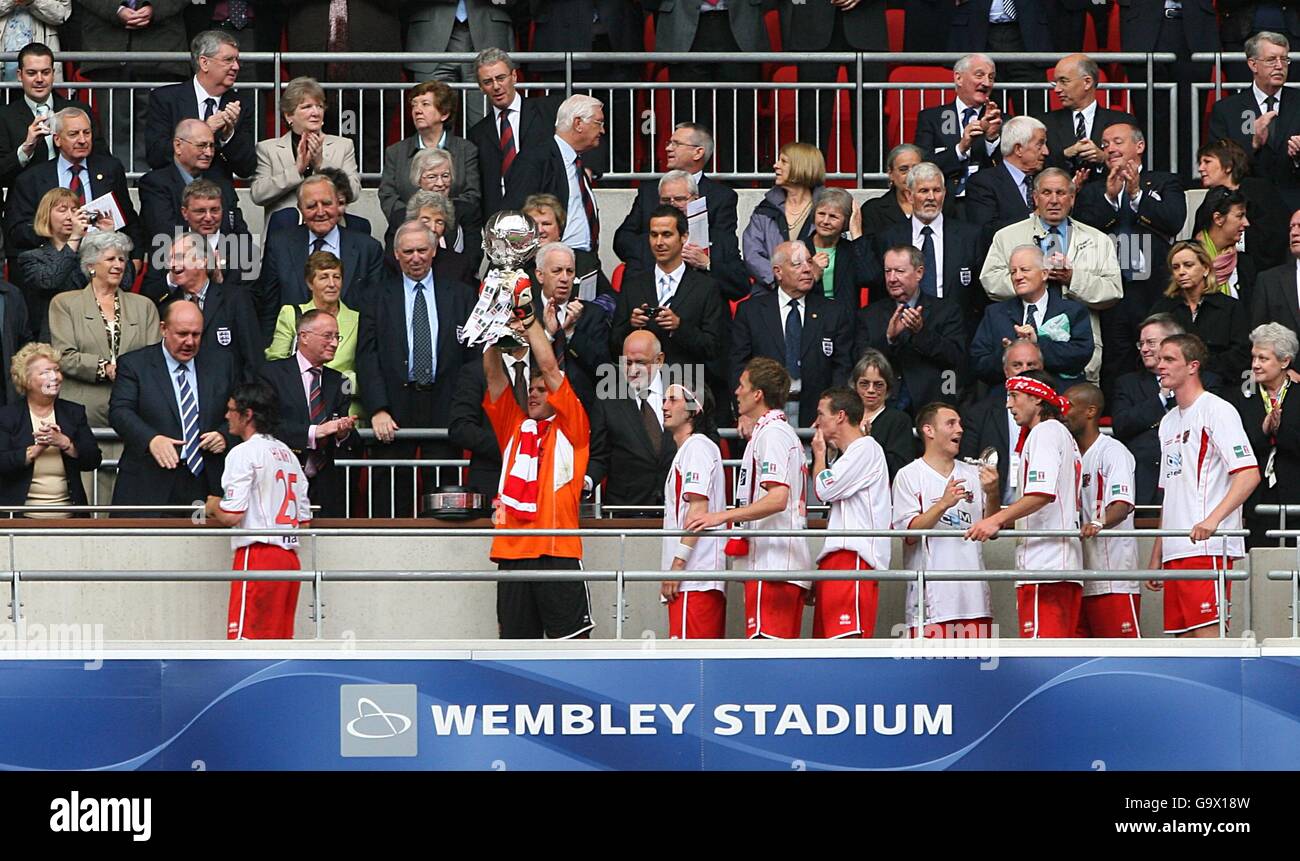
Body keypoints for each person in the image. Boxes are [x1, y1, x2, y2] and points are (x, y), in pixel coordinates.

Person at [483, 296, 593, 640]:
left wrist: (530, 322)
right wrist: (490, 328)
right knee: (516, 651)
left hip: (556, 550)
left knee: (572, 649)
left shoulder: (572, 426)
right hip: (511, 552)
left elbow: (549, 367)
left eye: (542, 391)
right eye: (530, 390)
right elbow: (494, 376)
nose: (533, 394)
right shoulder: (515, 428)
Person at [356, 221, 477, 518]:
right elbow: (367, 356)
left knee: (444, 494)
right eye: (408, 251)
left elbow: (472, 356)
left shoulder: (461, 295)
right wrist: (378, 409)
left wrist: (464, 406)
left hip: (446, 403)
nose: (415, 258)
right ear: (396, 254)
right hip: (394, 407)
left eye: (422, 250)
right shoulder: (375, 296)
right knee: (390, 494)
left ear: (434, 250)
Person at [686, 358, 810, 640]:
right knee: (767, 656)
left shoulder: (774, 434)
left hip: (774, 566)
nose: (736, 392)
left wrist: (720, 516)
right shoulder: (769, 432)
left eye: (742, 386)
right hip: (770, 563)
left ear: (758, 394)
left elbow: (778, 498)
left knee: (769, 659)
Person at [1150, 333, 1261, 637]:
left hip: (1206, 546)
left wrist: (1212, 520)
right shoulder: (1169, 421)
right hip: (1175, 547)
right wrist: (1157, 551)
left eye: (1169, 359)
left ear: (1192, 366)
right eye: (1159, 359)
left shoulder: (1217, 409)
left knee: (1209, 638)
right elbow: (1169, 491)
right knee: (1182, 645)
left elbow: (1249, 473)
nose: (1160, 365)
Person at [966, 371, 1084, 639]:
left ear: (1037, 399)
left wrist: (995, 519)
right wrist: (995, 498)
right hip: (1059, 565)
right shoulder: (1059, 434)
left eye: (1014, 396)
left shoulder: (1045, 432)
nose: (1008, 404)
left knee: (1043, 658)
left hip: (1046, 566)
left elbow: (1042, 493)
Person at [981, 168, 1123, 383]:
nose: (1054, 200)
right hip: (1019, 347)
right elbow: (990, 281)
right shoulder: (1007, 236)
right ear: (1035, 197)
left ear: (1073, 198)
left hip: (1078, 350)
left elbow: (1113, 290)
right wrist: (1034, 280)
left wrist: (1072, 279)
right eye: (1047, 193)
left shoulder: (1098, 240)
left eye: (1061, 193)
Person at [109, 300, 237, 517]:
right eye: (182, 334)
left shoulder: (221, 363)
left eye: (196, 335)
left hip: (206, 481)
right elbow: (119, 412)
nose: (190, 342)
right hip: (150, 482)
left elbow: (241, 410)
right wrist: (151, 440)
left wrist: (225, 435)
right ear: (163, 329)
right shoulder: (135, 364)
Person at [204, 381, 311, 640]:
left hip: (258, 553)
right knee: (279, 644)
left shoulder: (243, 452)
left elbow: (232, 515)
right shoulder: (288, 454)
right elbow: (305, 522)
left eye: (231, 409)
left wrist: (211, 505)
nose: (227, 416)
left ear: (248, 414)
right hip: (290, 560)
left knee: (246, 641)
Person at [892, 402, 998, 638]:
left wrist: (992, 492)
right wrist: (942, 504)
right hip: (931, 604)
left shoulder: (973, 473)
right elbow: (907, 533)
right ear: (928, 430)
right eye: (951, 423)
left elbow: (991, 528)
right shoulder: (909, 475)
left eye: (960, 423)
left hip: (975, 599)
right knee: (930, 674)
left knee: (976, 673)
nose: (960, 429)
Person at [610, 205, 726, 416]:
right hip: (639, 392)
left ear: (684, 237)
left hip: (688, 388)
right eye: (654, 235)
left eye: (667, 235)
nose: (659, 242)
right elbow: (614, 344)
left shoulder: (706, 287)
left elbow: (714, 348)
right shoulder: (633, 285)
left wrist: (679, 327)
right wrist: (632, 326)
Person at [3, 106, 142, 277]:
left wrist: (136, 260)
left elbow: (128, 217)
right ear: (57, 139)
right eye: (73, 134)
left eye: (87, 133)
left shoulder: (110, 169)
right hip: (53, 267)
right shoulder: (32, 178)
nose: (82, 140)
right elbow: (17, 230)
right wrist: (54, 228)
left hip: (100, 266)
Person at [730, 241, 853, 427]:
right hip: (763, 413)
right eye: (797, 264)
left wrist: (831, 413)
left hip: (816, 416)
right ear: (778, 271)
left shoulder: (833, 312)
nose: (807, 269)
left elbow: (842, 367)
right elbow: (738, 365)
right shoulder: (751, 311)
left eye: (810, 262)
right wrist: (745, 411)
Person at [47, 231, 160, 426]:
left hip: (136, 411)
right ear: (91, 266)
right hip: (82, 410)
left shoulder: (145, 306)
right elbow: (63, 355)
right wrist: (104, 368)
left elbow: (155, 359)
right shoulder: (65, 304)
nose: (118, 265)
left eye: (122, 259)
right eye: (110, 259)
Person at [254, 174, 384, 338]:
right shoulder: (280, 245)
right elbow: (268, 308)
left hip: (351, 352)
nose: (320, 212)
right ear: (300, 209)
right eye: (311, 206)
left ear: (338, 205)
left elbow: (375, 312)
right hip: (293, 352)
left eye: (327, 204)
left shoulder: (368, 249)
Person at [810, 386, 891, 639]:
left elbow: (825, 489)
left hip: (853, 558)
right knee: (826, 651)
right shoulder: (852, 454)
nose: (816, 422)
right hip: (838, 558)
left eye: (821, 414)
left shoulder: (866, 448)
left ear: (840, 416)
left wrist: (820, 455)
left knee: (847, 645)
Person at [612, 122, 740, 283]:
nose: (668, 148)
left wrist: (695, 257)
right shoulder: (649, 191)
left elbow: (724, 248)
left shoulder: (721, 197)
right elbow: (623, 239)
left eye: (676, 144)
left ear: (698, 152)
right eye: (669, 143)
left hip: (699, 285)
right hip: (650, 281)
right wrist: (662, 249)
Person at [259, 309, 356, 519]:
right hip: (280, 482)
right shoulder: (271, 375)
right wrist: (315, 432)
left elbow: (350, 440)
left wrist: (342, 434)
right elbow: (266, 426)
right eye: (327, 336)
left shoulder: (340, 382)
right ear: (304, 337)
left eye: (336, 337)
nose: (334, 343)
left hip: (325, 488)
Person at [651, 0, 767, 175]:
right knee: (690, 119)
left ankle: (737, 183)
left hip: (740, 23)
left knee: (738, 116)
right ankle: (688, 182)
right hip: (682, 26)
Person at [1065, 383, 1142, 638]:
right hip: (1079, 577)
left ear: (1090, 411)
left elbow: (1122, 505)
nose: (1063, 412)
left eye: (1069, 406)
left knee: (1121, 657)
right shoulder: (1069, 455)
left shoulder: (1113, 451)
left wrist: (1098, 523)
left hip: (1113, 577)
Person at [779, 0, 887, 174]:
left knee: (871, 113)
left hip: (866, 22)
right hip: (812, 23)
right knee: (811, 114)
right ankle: (809, 184)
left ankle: (875, 185)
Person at [855, 245, 966, 414]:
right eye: (887, 271)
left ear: (919, 273)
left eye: (899, 271)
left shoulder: (946, 310)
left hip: (929, 409)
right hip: (883, 408)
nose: (891, 278)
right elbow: (860, 360)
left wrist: (920, 332)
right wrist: (889, 338)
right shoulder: (869, 314)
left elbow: (955, 357)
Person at [614, 167, 749, 302]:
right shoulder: (647, 243)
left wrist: (707, 264)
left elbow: (741, 287)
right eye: (666, 200)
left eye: (680, 199)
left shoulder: (720, 240)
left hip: (705, 319)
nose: (673, 205)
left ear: (695, 199)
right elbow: (629, 292)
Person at [872, 161, 987, 318]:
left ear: (945, 193)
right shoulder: (889, 238)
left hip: (956, 331)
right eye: (924, 191)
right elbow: (881, 292)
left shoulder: (970, 236)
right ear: (909, 196)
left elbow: (979, 294)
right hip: (903, 328)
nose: (931, 197)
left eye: (937, 190)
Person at [0, 342, 101, 517]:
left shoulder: (74, 413)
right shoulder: (8, 416)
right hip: (19, 520)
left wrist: (66, 443)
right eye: (45, 373)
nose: (54, 377)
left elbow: (93, 460)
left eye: (56, 370)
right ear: (26, 380)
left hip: (70, 519)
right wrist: (35, 450)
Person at [970, 244, 1094, 386]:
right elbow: (979, 363)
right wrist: (1010, 353)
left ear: (1044, 274)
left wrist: (1037, 345)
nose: (1018, 277)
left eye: (1024, 270)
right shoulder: (995, 313)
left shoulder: (1073, 311)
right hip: (1009, 399)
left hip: (1059, 397)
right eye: (1013, 272)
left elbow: (1081, 355)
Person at [144, 30, 256, 184]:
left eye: (237, 60)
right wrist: (205, 129)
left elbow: (246, 169)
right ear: (204, 63)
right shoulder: (166, 98)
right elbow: (155, 155)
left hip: (218, 196)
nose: (236, 67)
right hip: (174, 191)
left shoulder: (241, 104)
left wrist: (228, 136)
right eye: (228, 60)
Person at [660, 383, 727, 639]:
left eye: (673, 400)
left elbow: (698, 512)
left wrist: (676, 566)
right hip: (693, 577)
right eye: (665, 400)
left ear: (693, 411)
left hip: (694, 578)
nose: (665, 406)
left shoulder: (697, 446)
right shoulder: (693, 448)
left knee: (690, 666)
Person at [502, 94, 605, 254]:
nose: (602, 130)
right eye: (598, 123)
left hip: (584, 261)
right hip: (550, 263)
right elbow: (514, 216)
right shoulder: (535, 159)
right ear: (578, 123)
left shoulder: (576, 163)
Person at [137, 119, 248, 266]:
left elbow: (241, 236)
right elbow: (165, 237)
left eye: (212, 146)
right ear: (178, 146)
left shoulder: (221, 183)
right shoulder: (155, 184)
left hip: (225, 273)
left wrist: (222, 264)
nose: (208, 153)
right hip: (172, 274)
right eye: (201, 146)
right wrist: (209, 261)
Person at [250, 77, 362, 220]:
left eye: (320, 106)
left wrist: (322, 165)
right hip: (284, 234)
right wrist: (296, 170)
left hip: (329, 229)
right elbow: (258, 195)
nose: (316, 112)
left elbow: (353, 193)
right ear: (289, 115)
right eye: (307, 107)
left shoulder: (343, 145)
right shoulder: (267, 149)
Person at [466, 48, 561, 216]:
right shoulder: (477, 134)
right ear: (481, 88)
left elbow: (587, 124)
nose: (496, 86)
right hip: (501, 221)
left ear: (514, 77)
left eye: (501, 78)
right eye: (488, 82)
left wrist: (588, 169)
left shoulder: (548, 110)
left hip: (545, 216)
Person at [0, 42, 109, 189]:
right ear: (20, 75)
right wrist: (25, 149)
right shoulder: (5, 116)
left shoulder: (79, 111)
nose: (39, 79)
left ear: (53, 73)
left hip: (76, 195)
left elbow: (102, 159)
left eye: (45, 72)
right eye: (32, 73)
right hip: (30, 203)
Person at [264, 251, 360, 417]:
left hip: (344, 410)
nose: (332, 284)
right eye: (323, 277)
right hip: (299, 407)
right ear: (310, 283)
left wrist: (333, 382)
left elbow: (367, 377)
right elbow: (276, 364)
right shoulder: (292, 314)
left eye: (336, 277)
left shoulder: (358, 319)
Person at [378, 81, 481, 232]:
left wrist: (440, 218)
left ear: (444, 113)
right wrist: (418, 220)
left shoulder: (466, 150)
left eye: (425, 104)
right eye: (414, 105)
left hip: (455, 232)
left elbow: (472, 195)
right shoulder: (396, 152)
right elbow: (388, 196)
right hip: (408, 232)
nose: (417, 110)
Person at [160, 232, 263, 382]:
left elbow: (253, 356)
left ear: (202, 261)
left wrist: (243, 400)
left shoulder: (235, 299)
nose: (172, 265)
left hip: (230, 398)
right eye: (170, 259)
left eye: (181, 257)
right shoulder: (169, 305)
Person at [1111, 313, 1189, 506]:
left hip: (1187, 483)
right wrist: (1161, 397)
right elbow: (1121, 425)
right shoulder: (1127, 384)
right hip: (1144, 485)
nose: (1144, 349)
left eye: (1151, 343)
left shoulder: (1202, 382)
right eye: (1141, 344)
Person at [1149, 241, 1251, 385]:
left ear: (1205, 269)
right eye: (1176, 267)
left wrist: (1200, 367)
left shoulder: (1230, 307)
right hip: (1173, 387)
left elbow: (1241, 354)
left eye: (1188, 265)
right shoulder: (1163, 308)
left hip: (1221, 385)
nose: (1181, 272)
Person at [403, 1, 514, 132]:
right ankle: (434, 154)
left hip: (489, 29)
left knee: (483, 122)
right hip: (430, 32)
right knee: (431, 119)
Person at [1236, 323, 1300, 548]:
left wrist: (1280, 431)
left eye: (1263, 359)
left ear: (1285, 361)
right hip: (1256, 502)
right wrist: (1263, 431)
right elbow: (1236, 447)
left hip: (1296, 498)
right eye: (1254, 357)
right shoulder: (1242, 397)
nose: (1255, 365)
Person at [600, 330, 677, 514]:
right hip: (627, 511)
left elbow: (705, 439)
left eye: (641, 362)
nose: (633, 370)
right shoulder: (607, 401)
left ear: (659, 360)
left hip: (678, 509)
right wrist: (585, 481)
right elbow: (599, 454)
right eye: (627, 362)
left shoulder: (684, 389)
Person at [959, 340, 1045, 504]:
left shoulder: (1058, 413)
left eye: (1031, 365)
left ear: (1041, 369)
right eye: (1017, 365)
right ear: (1006, 371)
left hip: (1044, 517)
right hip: (993, 514)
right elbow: (967, 466)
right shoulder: (979, 413)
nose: (1024, 371)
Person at [1207, 32, 1298, 185]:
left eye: (1284, 59)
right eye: (1271, 60)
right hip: (1246, 200)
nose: (1279, 66)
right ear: (1253, 64)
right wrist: (1253, 143)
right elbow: (1218, 164)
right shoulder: (1227, 110)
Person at [141, 178, 253, 302]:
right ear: (184, 213)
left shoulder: (242, 249)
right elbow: (147, 296)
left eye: (215, 210)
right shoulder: (167, 244)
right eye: (200, 211)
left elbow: (252, 301)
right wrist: (172, 279)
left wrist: (218, 283)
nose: (209, 218)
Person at [913, 53, 1004, 201]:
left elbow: (1009, 170)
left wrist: (991, 139)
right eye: (979, 75)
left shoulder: (1000, 121)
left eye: (991, 77)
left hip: (985, 200)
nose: (987, 83)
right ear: (958, 78)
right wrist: (960, 149)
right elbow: (922, 168)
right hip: (943, 200)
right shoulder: (932, 118)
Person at [1196, 139, 1289, 274]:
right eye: (1200, 162)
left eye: (1207, 162)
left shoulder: (1260, 191)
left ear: (1228, 166)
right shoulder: (1210, 201)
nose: (1200, 168)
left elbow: (1276, 237)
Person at [1043, 53, 1140, 181]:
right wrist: (1065, 154)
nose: (1057, 89)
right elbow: (1038, 168)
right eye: (1055, 83)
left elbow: (1133, 165)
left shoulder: (1122, 122)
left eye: (1063, 81)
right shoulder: (1046, 123)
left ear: (1087, 82)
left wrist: (1103, 158)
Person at [17, 187, 97, 341]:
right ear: (46, 216)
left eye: (75, 210)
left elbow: (124, 282)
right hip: (53, 336)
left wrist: (108, 236)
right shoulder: (31, 257)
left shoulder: (90, 253)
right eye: (62, 210)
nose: (70, 217)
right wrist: (74, 239)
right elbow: (50, 281)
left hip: (91, 334)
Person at [743, 142, 826, 290]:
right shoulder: (765, 209)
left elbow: (832, 251)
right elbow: (752, 254)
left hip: (816, 296)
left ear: (801, 166)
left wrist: (807, 277)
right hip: (770, 296)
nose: (775, 165)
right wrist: (780, 281)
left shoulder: (826, 208)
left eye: (784, 161)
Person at [382, 147, 481, 262]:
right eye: (432, 177)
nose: (440, 183)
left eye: (445, 176)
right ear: (418, 179)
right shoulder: (400, 217)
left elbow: (474, 256)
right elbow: (391, 260)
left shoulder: (467, 212)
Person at [964, 115, 1048, 240]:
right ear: (1018, 149)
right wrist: (1035, 217)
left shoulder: (1044, 180)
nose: (1046, 152)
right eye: (1039, 145)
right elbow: (986, 231)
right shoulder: (983, 183)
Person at [522, 194, 612, 304]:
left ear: (560, 229)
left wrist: (589, 310)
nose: (540, 230)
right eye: (534, 224)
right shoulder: (518, 267)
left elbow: (609, 298)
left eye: (546, 224)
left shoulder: (585, 261)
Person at [850, 349, 917, 481]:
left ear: (888, 388)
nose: (870, 390)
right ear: (854, 386)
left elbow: (900, 469)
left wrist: (869, 446)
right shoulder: (846, 419)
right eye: (864, 384)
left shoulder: (899, 421)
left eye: (878, 385)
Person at [804, 188, 874, 309]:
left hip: (845, 322)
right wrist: (812, 275)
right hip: (809, 321)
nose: (825, 221)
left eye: (833, 217)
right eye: (821, 214)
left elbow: (869, 278)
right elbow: (786, 289)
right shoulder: (799, 248)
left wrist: (856, 233)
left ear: (846, 221)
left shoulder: (853, 250)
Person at [1191, 186, 1257, 302]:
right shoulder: (1186, 256)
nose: (1246, 223)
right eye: (1240, 216)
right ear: (1218, 219)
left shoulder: (1246, 265)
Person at [858, 144, 921, 241]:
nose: (911, 175)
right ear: (890, 173)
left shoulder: (940, 206)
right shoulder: (873, 210)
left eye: (916, 169)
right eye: (903, 170)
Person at [1253, 210, 1300, 334]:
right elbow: (1259, 336)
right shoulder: (1269, 281)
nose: (1294, 233)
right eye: (1291, 228)